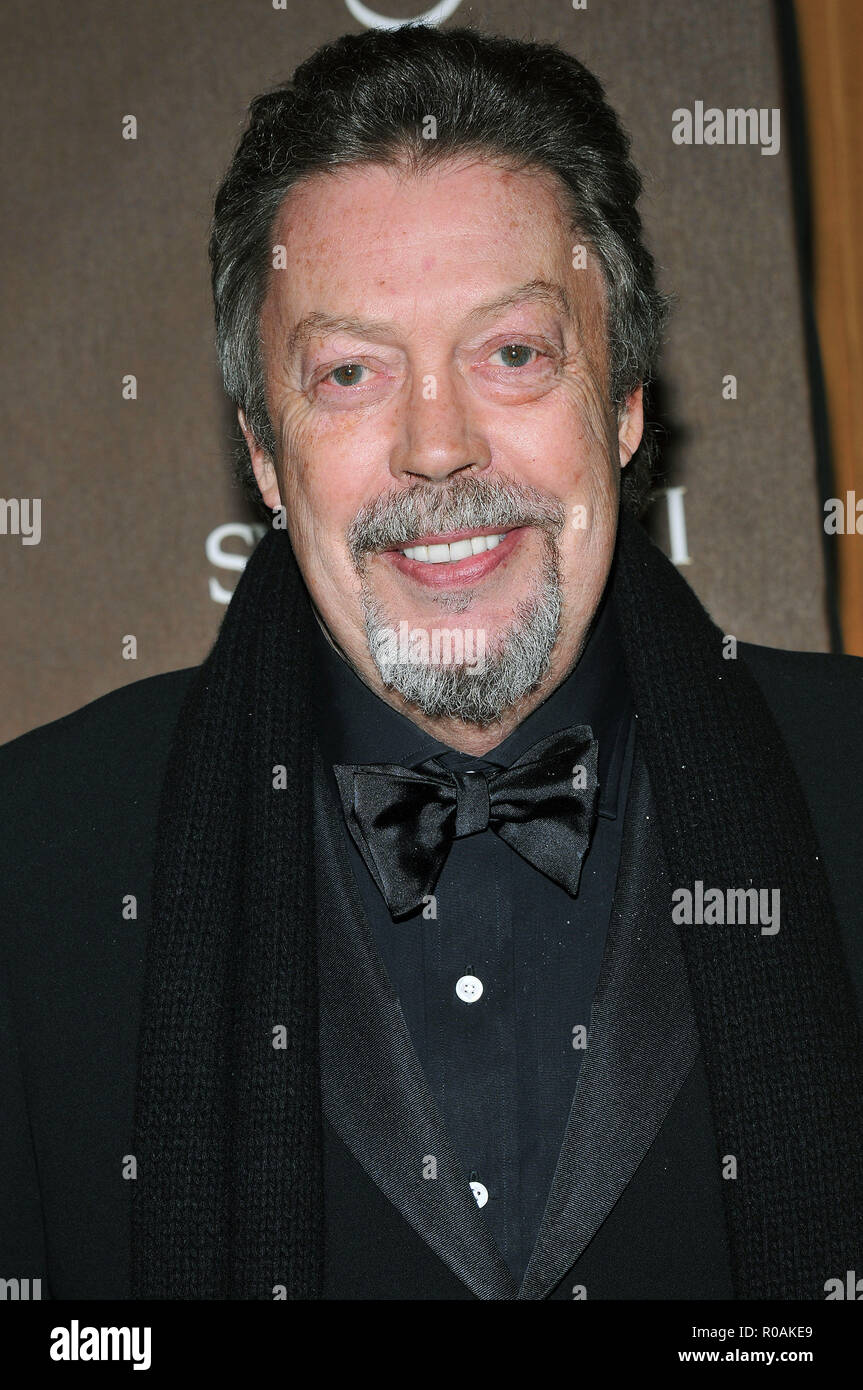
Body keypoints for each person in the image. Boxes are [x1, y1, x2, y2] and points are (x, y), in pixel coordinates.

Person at [1, 24, 861, 1302]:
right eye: (350, 373)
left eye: (510, 354)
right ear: (261, 453)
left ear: (622, 402)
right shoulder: (34, 864)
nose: (436, 446)